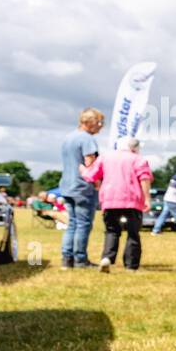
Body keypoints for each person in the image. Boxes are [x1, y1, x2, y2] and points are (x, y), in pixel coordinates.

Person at [82, 136, 152, 272]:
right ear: (134, 148)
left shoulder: (105, 157)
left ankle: (107, 258)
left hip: (109, 200)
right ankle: (131, 265)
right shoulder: (138, 159)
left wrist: (82, 169)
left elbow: (90, 176)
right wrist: (147, 198)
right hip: (132, 201)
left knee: (111, 231)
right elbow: (145, 178)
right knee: (133, 233)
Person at [58, 108, 103, 267]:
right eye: (99, 122)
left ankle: (67, 258)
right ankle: (80, 259)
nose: (101, 126)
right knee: (83, 223)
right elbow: (90, 162)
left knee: (72, 223)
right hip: (83, 187)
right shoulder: (87, 139)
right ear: (90, 122)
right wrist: (98, 183)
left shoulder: (68, 137)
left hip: (67, 185)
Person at [152, 164, 176, 234]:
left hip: (168, 198)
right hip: (173, 200)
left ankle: (155, 230)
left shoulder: (175, 176)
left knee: (163, 215)